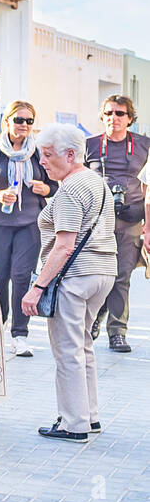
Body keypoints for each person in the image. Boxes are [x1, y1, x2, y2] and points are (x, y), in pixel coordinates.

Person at [22, 123, 117, 444]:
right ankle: (88, 417)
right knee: (83, 346)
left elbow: (64, 245)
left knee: (67, 351)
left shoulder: (71, 189)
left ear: (71, 155)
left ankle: (73, 423)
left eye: (48, 155)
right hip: (103, 271)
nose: (43, 162)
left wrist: (37, 287)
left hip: (75, 275)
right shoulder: (97, 182)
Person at [0, 101, 57, 357]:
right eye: (19, 120)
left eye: (29, 121)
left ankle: (20, 334)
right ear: (7, 122)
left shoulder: (40, 153)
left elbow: (56, 185)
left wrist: (46, 189)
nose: (24, 126)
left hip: (30, 225)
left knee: (21, 278)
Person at [84, 95, 149, 353]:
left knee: (122, 277)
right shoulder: (89, 144)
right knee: (98, 276)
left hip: (131, 218)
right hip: (97, 220)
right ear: (103, 116)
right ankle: (94, 318)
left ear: (130, 118)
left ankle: (117, 332)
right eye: (109, 113)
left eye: (120, 113)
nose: (114, 118)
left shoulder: (144, 145)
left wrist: (147, 227)